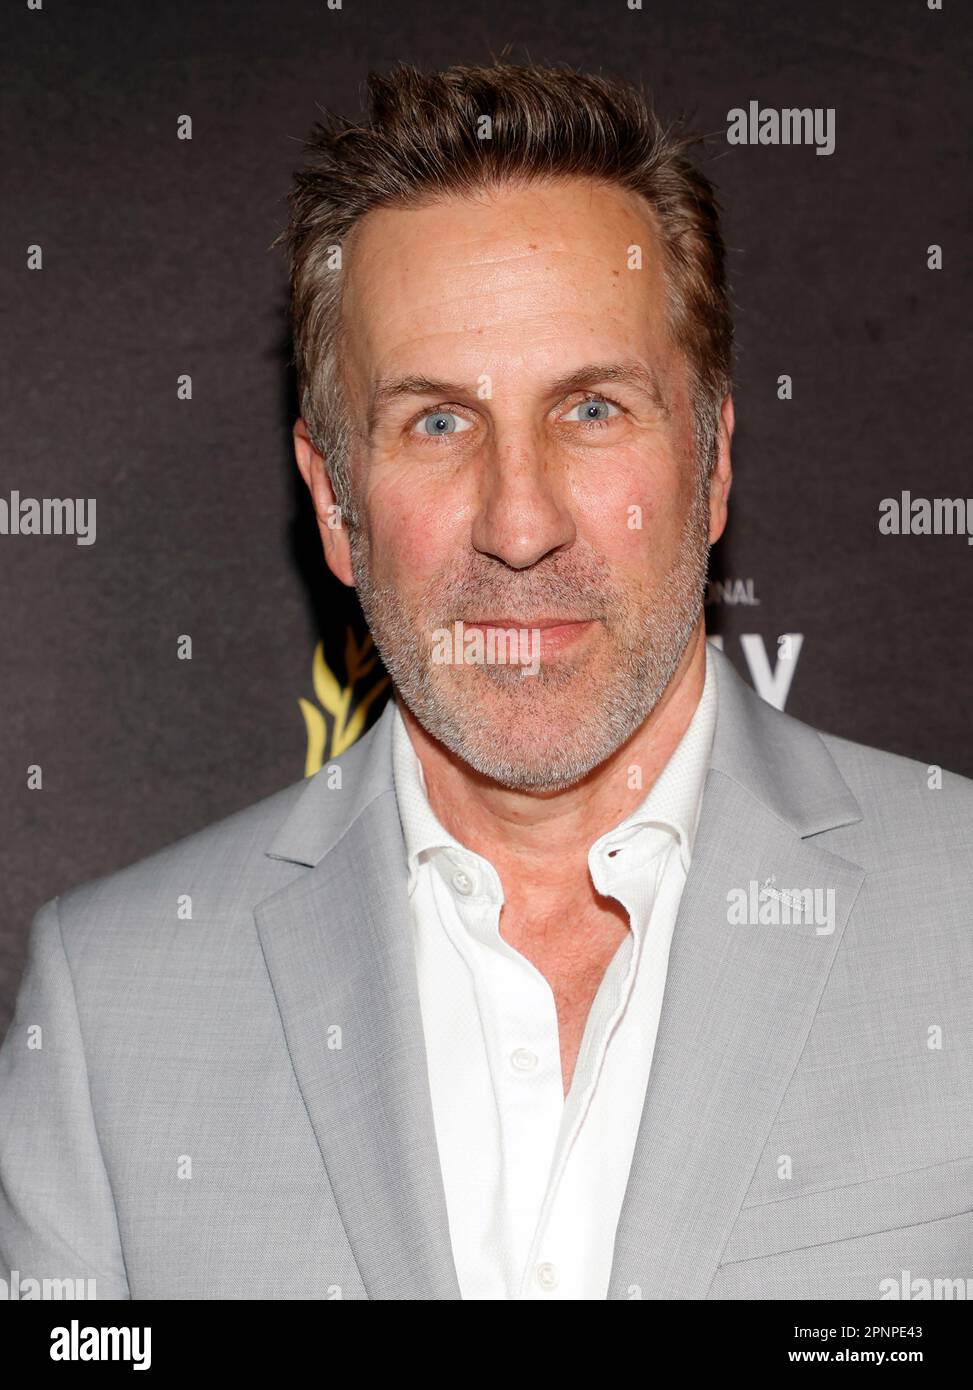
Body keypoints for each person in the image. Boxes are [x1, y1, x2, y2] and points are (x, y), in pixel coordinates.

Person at [1, 61, 971, 1302]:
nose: (520, 524)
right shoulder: (113, 1012)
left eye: (591, 408)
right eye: (438, 423)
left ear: (715, 459)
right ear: (333, 501)